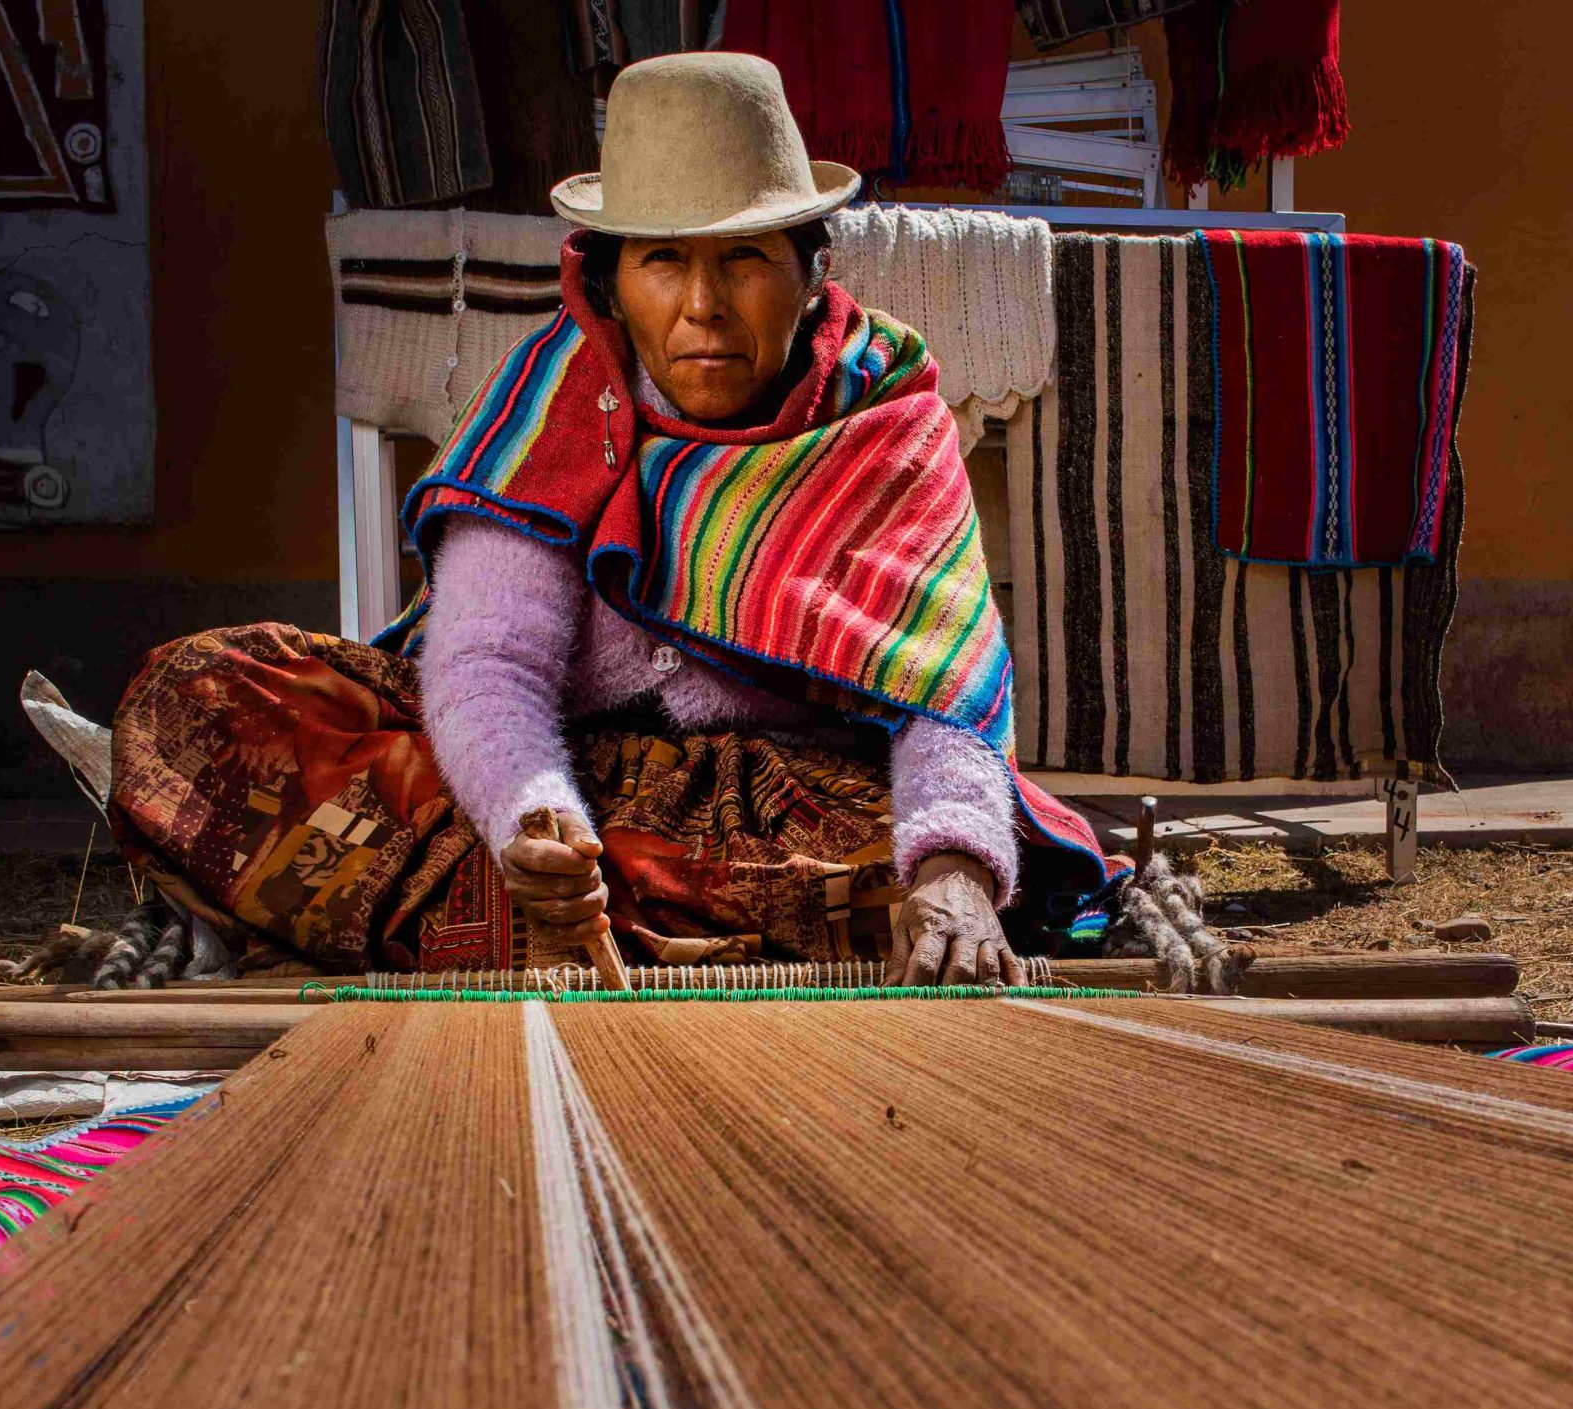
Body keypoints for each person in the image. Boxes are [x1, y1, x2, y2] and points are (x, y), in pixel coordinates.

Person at [104, 53, 1116, 984]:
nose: (704, 305)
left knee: (951, 860)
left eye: (746, 258)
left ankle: (449, 921)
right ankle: (557, 906)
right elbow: (487, 667)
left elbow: (942, 700)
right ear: (611, 282)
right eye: (664, 261)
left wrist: (949, 867)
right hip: (541, 780)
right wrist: (533, 822)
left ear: (811, 276)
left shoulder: (885, 423)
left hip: (774, 810)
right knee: (192, 697)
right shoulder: (554, 410)